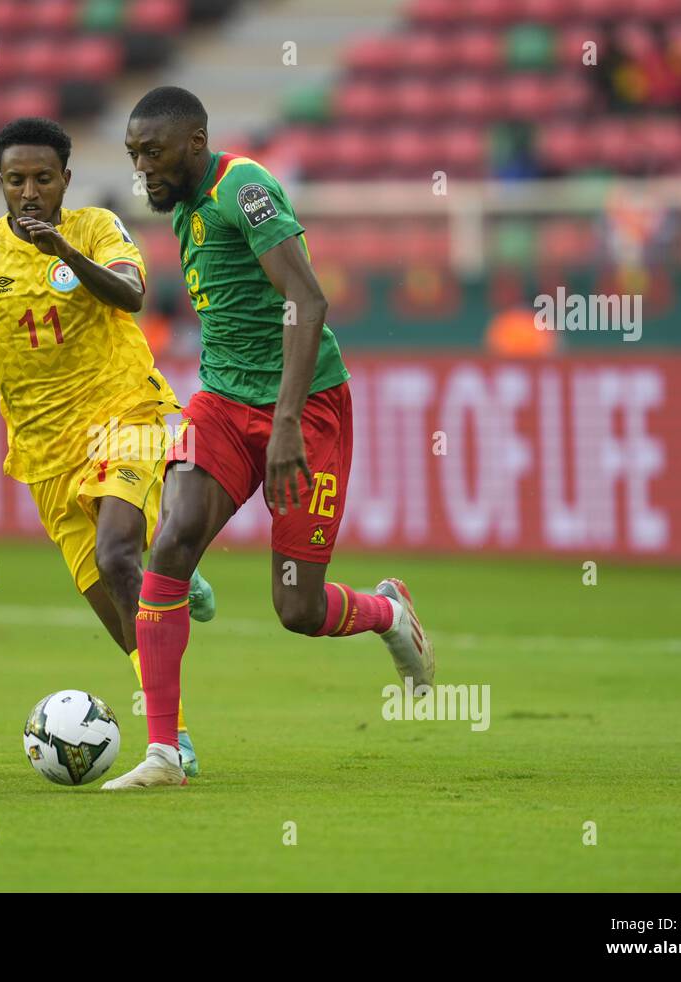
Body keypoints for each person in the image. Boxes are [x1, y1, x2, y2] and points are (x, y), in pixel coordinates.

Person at [105, 88, 434, 789]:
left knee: (297, 609)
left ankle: (388, 612)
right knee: (171, 541)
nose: (143, 169)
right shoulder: (187, 209)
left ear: (195, 141)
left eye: (153, 153)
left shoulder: (242, 187)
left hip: (305, 406)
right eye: (134, 156)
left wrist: (285, 422)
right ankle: (165, 751)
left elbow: (307, 299)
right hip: (221, 403)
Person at [0, 117, 214, 776]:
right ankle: (170, 571)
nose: (30, 191)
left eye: (43, 178)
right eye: (17, 180)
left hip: (127, 411)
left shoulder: (96, 228)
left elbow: (132, 293)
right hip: (44, 453)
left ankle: (168, 741)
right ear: (1, 183)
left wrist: (65, 255)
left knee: (117, 550)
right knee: (115, 602)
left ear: (65, 179)